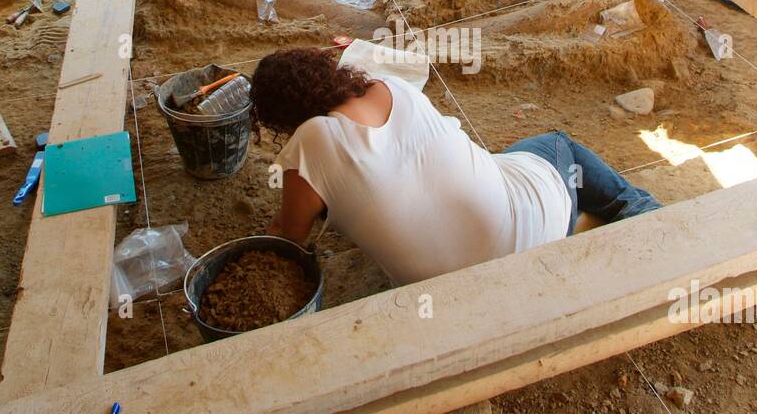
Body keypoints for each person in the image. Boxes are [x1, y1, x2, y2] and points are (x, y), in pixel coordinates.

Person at [252, 47, 663, 285]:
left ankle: (637, 210)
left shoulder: (309, 143)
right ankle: (640, 210)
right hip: (538, 233)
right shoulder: (389, 87)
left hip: (452, 301)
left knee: (532, 151)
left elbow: (288, 237)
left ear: (282, 118)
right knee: (556, 144)